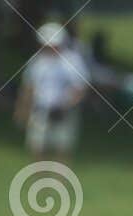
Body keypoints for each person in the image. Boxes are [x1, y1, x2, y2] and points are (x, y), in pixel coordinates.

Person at [14, 21, 91, 164]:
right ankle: (40, 176)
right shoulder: (37, 61)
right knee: (37, 146)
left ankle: (60, 177)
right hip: (40, 110)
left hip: (64, 111)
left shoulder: (72, 61)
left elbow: (80, 88)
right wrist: (23, 109)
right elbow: (28, 87)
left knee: (63, 148)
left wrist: (66, 105)